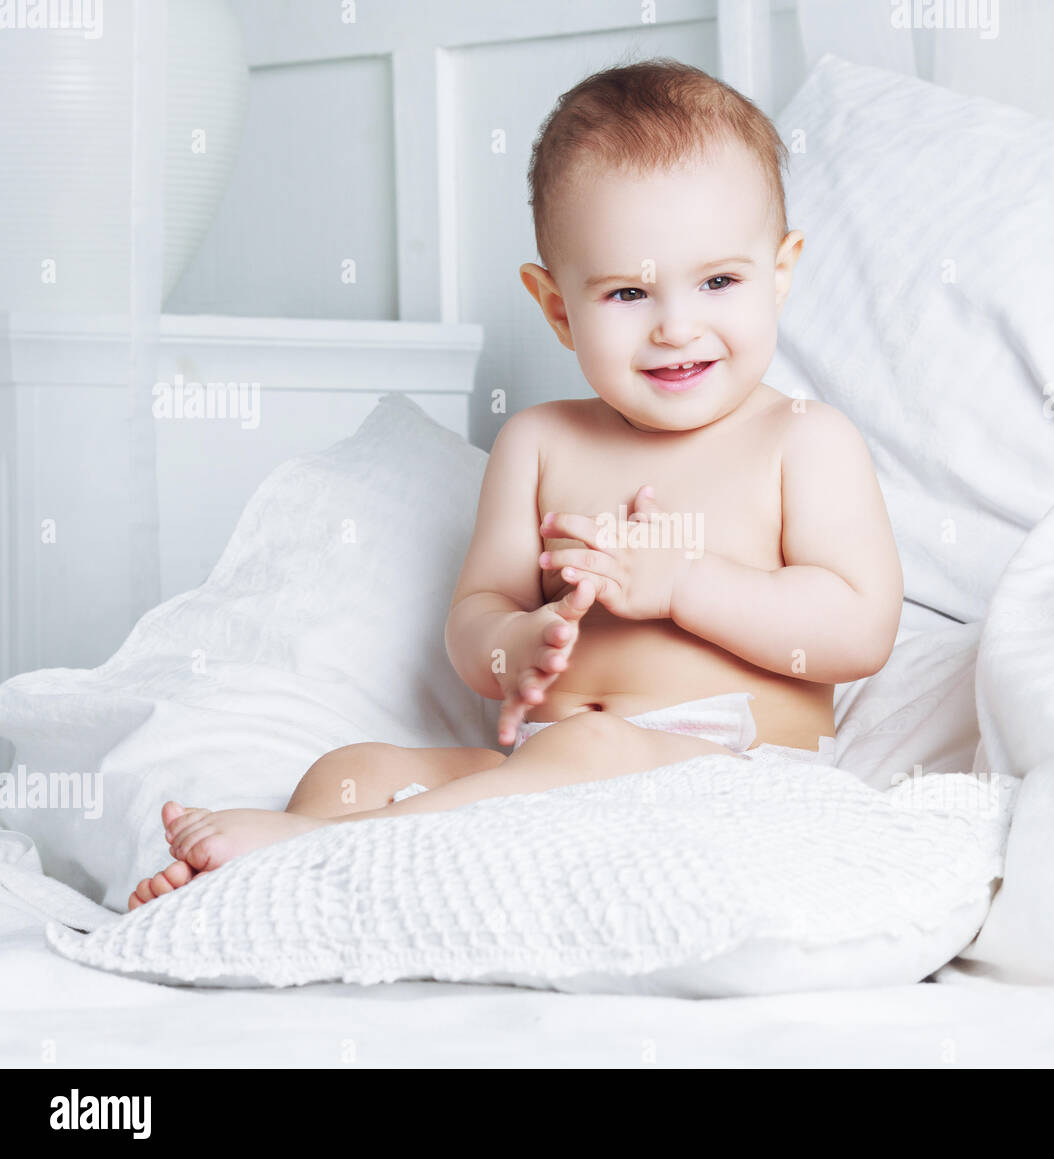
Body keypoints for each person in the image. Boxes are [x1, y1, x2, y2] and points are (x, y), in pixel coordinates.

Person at [129, 57, 902, 910]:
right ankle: (296, 881)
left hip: (733, 777)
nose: (678, 325)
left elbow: (858, 628)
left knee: (595, 750)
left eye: (719, 280)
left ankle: (316, 853)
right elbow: (474, 622)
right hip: (542, 763)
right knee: (352, 767)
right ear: (558, 308)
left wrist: (683, 582)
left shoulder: (802, 439)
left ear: (781, 271)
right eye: (629, 291)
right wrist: (521, 644)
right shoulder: (538, 442)